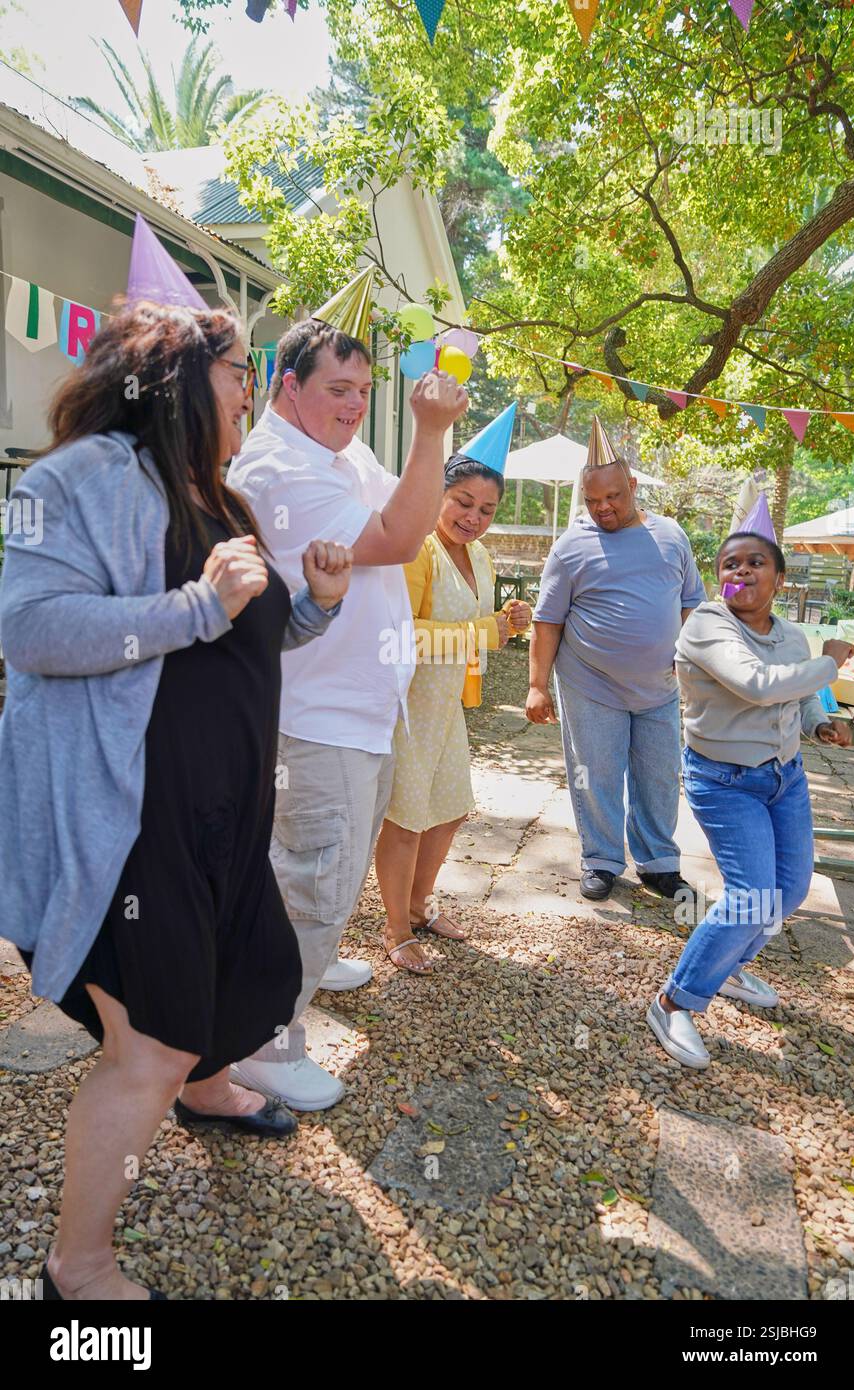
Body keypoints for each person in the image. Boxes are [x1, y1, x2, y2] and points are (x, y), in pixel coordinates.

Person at [0, 301, 351, 1300]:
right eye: (244, 370)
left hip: (224, 807)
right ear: (180, 375)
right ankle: (80, 1261)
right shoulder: (68, 477)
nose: (252, 388)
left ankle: (206, 1090)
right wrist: (202, 605)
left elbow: (242, 636)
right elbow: (29, 630)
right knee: (148, 1033)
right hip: (133, 818)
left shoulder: (216, 493)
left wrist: (311, 604)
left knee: (238, 967)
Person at [226, 319, 468, 1109]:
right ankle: (265, 1042)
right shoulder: (277, 466)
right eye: (337, 390)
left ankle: (310, 965)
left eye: (365, 392)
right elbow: (403, 533)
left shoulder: (330, 448)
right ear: (285, 385)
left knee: (330, 865)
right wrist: (433, 429)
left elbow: (405, 497)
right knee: (313, 882)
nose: (356, 406)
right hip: (314, 712)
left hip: (358, 707)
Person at [647, 530, 854, 1069]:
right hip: (724, 780)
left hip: (785, 777)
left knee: (789, 890)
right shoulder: (706, 625)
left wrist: (821, 722)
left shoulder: (789, 635)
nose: (739, 571)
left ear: (779, 579)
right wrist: (832, 662)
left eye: (755, 562)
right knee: (751, 897)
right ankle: (674, 1000)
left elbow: (797, 694)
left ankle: (729, 965)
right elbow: (758, 684)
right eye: (729, 563)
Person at [526, 416, 705, 903]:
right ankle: (602, 860)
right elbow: (547, 621)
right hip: (592, 684)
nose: (603, 508)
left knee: (660, 775)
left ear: (632, 485)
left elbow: (692, 601)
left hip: (659, 688)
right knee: (597, 773)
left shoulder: (672, 536)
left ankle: (658, 863)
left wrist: (688, 655)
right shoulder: (570, 548)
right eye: (593, 500)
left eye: (613, 497)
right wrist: (537, 685)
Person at [375, 428, 532, 974]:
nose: (473, 516)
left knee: (449, 810)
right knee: (406, 817)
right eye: (463, 502)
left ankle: (419, 906)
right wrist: (488, 630)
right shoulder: (416, 548)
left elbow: (476, 623)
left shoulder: (481, 557)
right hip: (410, 704)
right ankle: (394, 926)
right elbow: (402, 635)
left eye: (486, 509)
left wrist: (511, 619)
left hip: (449, 705)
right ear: (438, 495)